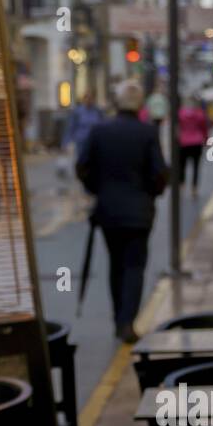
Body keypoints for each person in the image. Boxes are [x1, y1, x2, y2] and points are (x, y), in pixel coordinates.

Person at [76, 77, 169, 343]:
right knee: (134, 266)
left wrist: (98, 189)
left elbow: (82, 167)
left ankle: (119, 317)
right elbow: (159, 173)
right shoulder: (148, 133)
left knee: (115, 264)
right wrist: (151, 192)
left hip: (108, 210)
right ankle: (127, 321)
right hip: (140, 211)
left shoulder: (99, 131)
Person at [177, 94, 208, 196]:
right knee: (196, 166)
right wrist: (206, 138)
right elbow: (204, 128)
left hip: (183, 142)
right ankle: (194, 188)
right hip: (197, 142)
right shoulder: (200, 114)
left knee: (182, 166)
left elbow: (177, 127)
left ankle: (182, 186)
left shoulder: (180, 113)